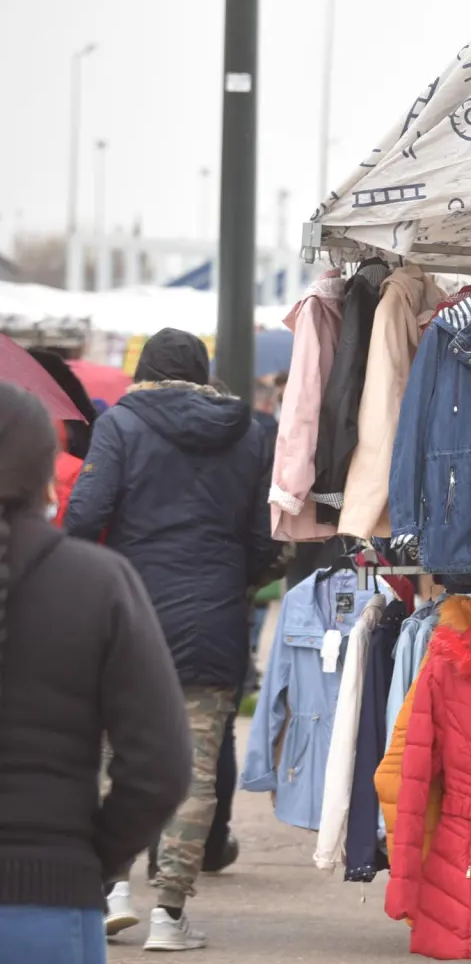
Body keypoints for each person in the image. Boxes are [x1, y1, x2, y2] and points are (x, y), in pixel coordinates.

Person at [64, 329, 277, 951]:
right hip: (213, 616)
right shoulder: (251, 431)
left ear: (145, 370)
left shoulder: (121, 425)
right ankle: (169, 915)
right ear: (203, 371)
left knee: (113, 758)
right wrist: (237, 581)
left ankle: (111, 890)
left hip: (130, 615)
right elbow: (267, 537)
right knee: (198, 770)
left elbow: (82, 517)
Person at [0, 385, 192, 963]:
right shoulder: (98, 582)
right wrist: (90, 860)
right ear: (47, 478)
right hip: (49, 906)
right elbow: (160, 766)